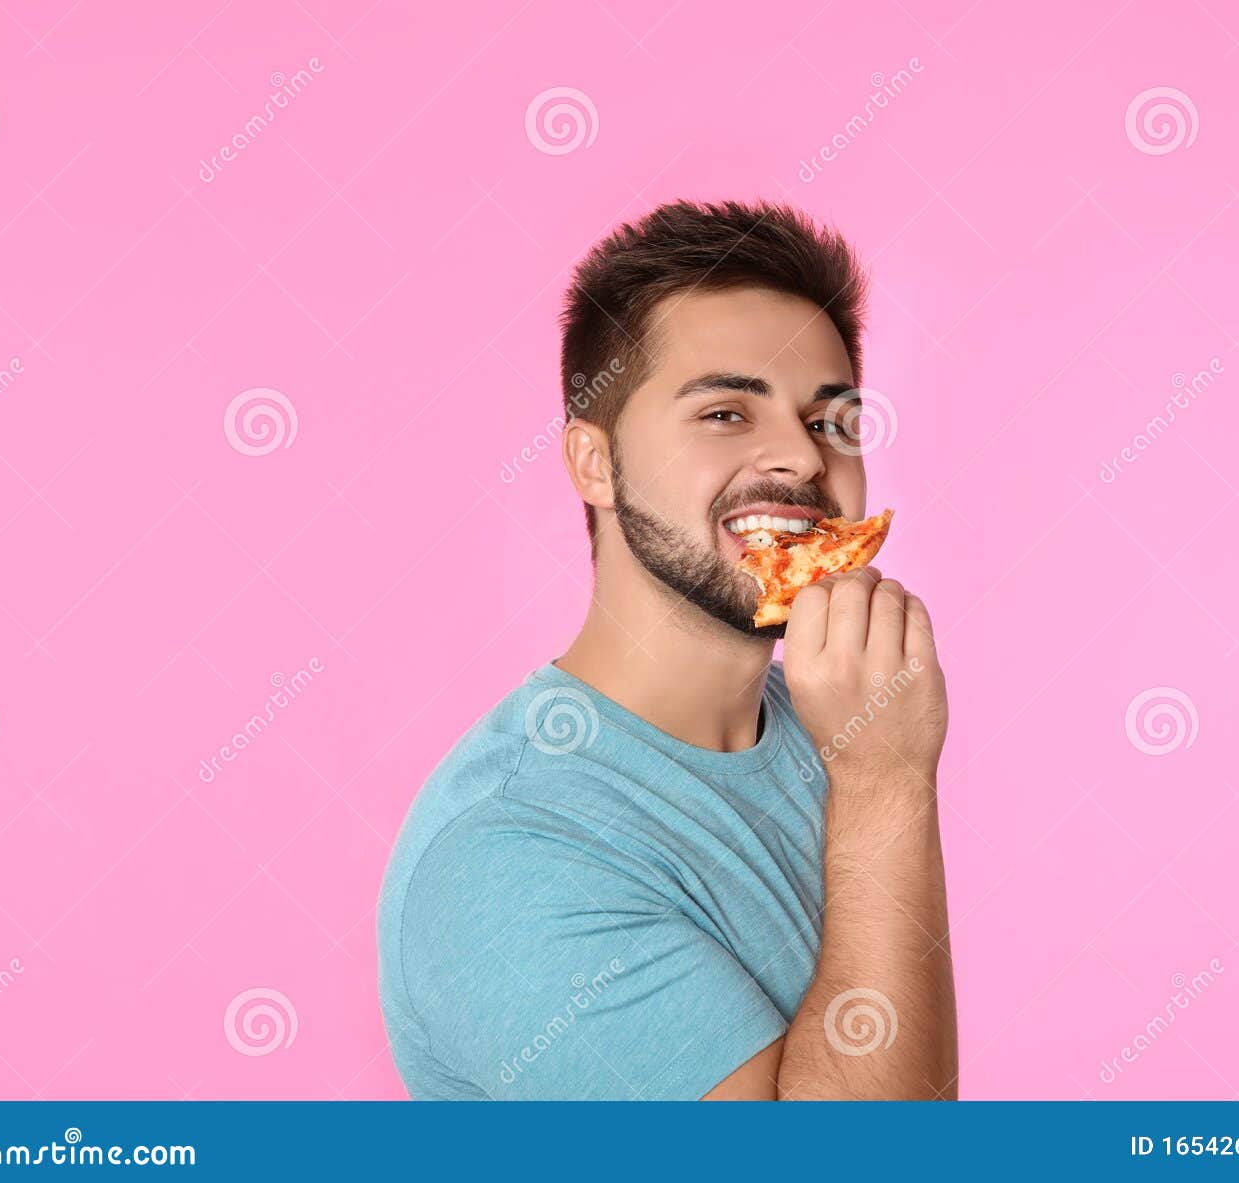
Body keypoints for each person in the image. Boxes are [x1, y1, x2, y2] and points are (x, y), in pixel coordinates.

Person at [377, 199, 955, 1099]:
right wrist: (886, 785)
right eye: (726, 412)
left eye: (832, 421)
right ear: (595, 464)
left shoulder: (832, 724)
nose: (802, 459)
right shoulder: (505, 854)